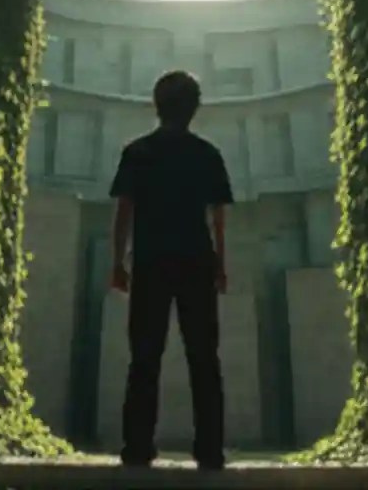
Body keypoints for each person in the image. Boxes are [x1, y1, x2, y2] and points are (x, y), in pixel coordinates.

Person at [108, 69, 233, 471]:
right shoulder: (206, 154)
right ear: (194, 108)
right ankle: (210, 450)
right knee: (204, 357)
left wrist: (117, 262)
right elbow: (217, 217)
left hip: (150, 261)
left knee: (144, 357)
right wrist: (221, 264)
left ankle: (137, 447)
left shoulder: (138, 152)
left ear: (156, 105)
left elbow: (124, 211)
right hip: (196, 261)